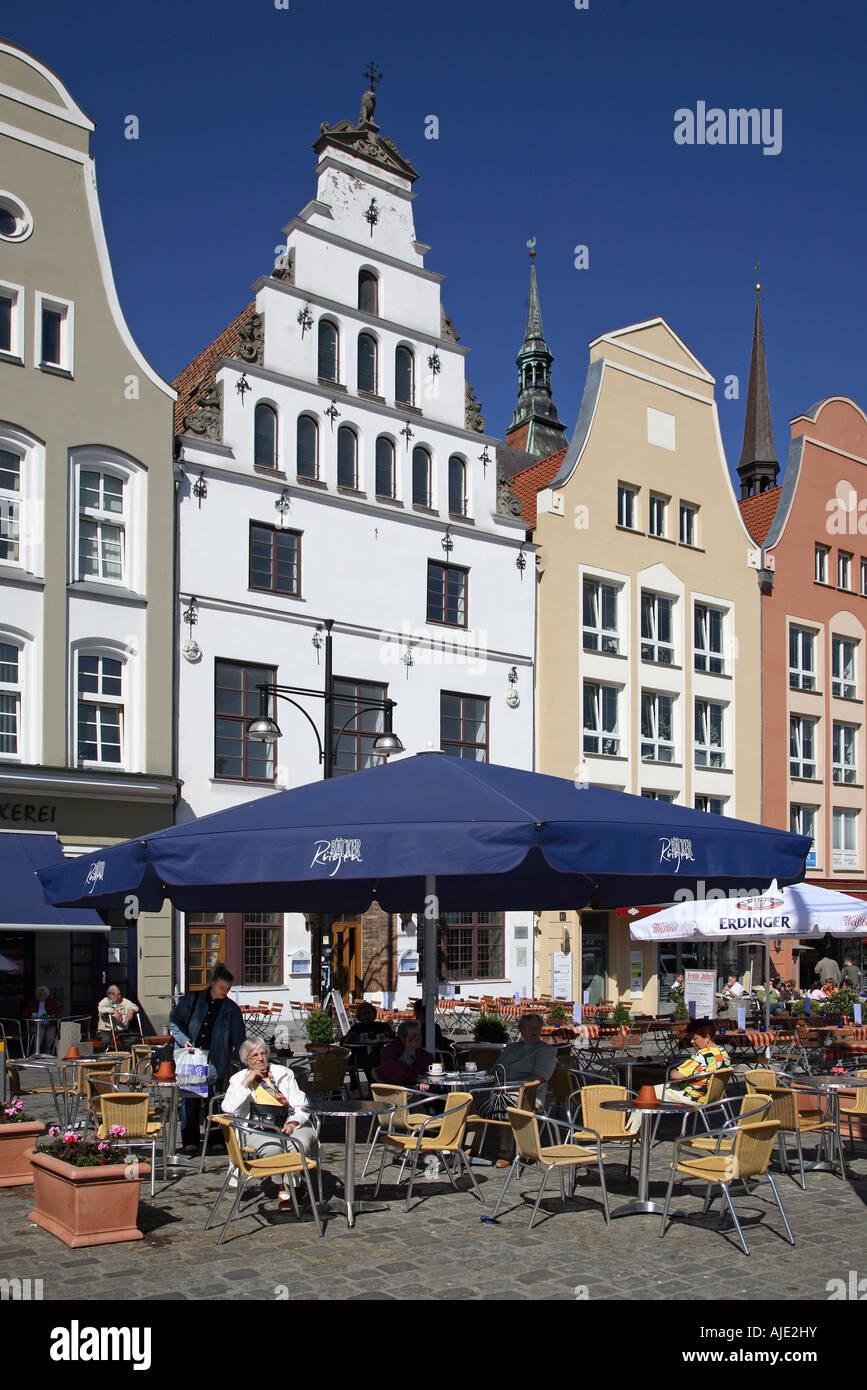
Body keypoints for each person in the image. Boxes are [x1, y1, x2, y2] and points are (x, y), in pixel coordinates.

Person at [222, 1038, 316, 1209]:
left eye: (263, 1053)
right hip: (258, 1127)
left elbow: (301, 1103)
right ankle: (289, 1185)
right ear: (246, 1060)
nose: (260, 1058)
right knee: (272, 1150)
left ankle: (287, 1190)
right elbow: (229, 1109)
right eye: (254, 1056)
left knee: (300, 1145)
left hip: (290, 1121)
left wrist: (294, 1122)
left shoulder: (283, 1073)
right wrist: (246, 1082)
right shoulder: (238, 1079)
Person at [170, 963, 246, 1155]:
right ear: (212, 984)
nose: (224, 992)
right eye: (221, 988)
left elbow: (239, 1038)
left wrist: (247, 1060)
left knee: (216, 1101)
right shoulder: (192, 1000)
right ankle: (190, 1140)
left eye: (228, 989)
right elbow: (175, 1022)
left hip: (216, 1061)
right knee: (191, 1101)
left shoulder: (231, 1009)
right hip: (193, 1060)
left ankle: (216, 1139)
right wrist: (184, 1041)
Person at [627, 1018, 731, 1132]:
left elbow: (676, 1075)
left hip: (693, 1096)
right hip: (711, 1096)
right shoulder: (723, 1053)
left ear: (707, 1037)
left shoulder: (702, 1056)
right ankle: (639, 1130)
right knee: (655, 1091)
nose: (692, 1041)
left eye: (695, 1038)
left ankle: (631, 1132)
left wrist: (673, 1069)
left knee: (646, 1093)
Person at [487, 1011, 557, 1165]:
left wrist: (509, 1083)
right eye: (530, 1028)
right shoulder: (511, 1048)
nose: (535, 1031)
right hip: (500, 1088)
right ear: (522, 1030)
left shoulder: (546, 1050)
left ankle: (505, 1153)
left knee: (507, 1102)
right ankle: (471, 1146)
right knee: (470, 1098)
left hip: (529, 1094)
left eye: (537, 1028)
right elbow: (495, 1070)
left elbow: (539, 1077)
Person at [343, 1001, 395, 1085]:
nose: (367, 1016)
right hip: (360, 1056)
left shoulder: (382, 1026)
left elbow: (393, 1037)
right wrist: (352, 1038)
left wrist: (387, 1034)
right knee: (370, 1061)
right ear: (360, 1016)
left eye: (369, 1013)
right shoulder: (356, 1028)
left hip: (381, 1054)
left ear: (373, 1014)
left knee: (374, 1061)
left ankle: (376, 1087)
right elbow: (344, 1041)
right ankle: (373, 1087)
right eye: (364, 1014)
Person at [379, 1020, 434, 1087]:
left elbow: (429, 1074)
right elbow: (394, 1075)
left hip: (420, 1092)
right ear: (403, 1038)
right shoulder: (389, 1051)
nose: (419, 1039)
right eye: (414, 1036)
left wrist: (425, 1082)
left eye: (420, 1035)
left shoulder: (425, 1055)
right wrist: (407, 1053)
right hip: (397, 1092)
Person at [96, 985, 140, 1051]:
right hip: (106, 1030)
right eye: (118, 995)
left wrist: (131, 1011)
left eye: (120, 994)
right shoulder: (104, 1001)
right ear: (111, 996)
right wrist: (114, 1011)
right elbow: (101, 1009)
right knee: (106, 1040)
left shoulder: (124, 1001)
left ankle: (127, 1056)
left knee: (132, 1039)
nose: (120, 996)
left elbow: (135, 1006)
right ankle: (106, 1056)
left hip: (122, 1030)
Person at [21, 987, 61, 1052]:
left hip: (49, 1023)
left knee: (51, 1031)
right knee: (40, 1030)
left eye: (42, 994)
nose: (41, 996)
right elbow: (24, 1015)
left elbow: (58, 1013)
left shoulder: (52, 1002)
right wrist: (31, 1015)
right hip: (36, 1024)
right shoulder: (33, 1003)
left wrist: (53, 1015)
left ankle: (47, 1050)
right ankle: (36, 1050)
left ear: (47, 995)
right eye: (39, 994)